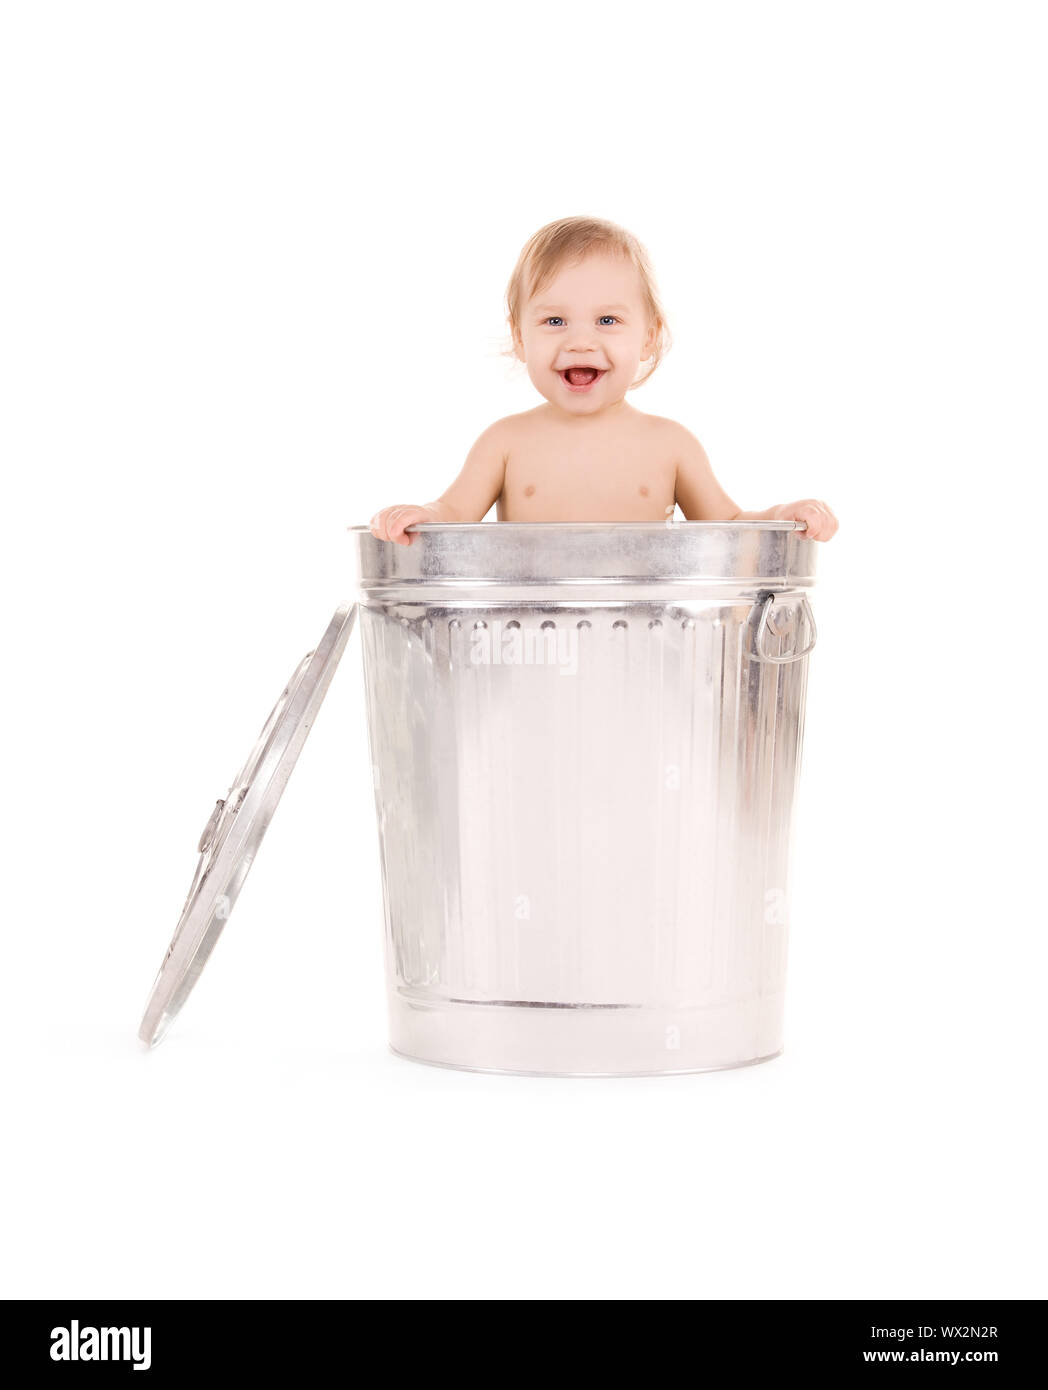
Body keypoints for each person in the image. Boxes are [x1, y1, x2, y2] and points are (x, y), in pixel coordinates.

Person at [369, 215, 839, 546]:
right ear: (520, 338)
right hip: (532, 638)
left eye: (607, 321)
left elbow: (729, 525)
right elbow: (453, 515)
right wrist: (423, 516)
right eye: (555, 321)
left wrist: (780, 518)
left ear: (649, 337)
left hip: (646, 639)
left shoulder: (670, 445)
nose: (580, 342)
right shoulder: (505, 442)